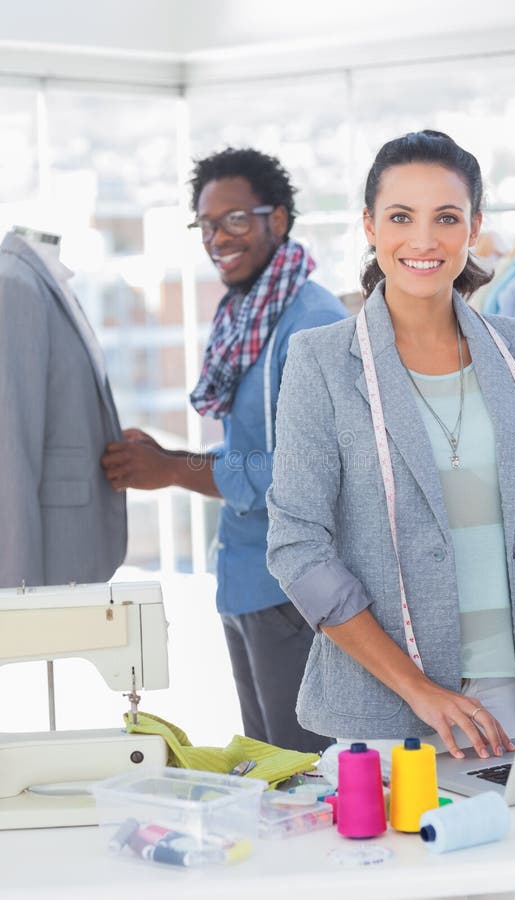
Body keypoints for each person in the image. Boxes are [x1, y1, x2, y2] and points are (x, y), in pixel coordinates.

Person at [266, 130, 515, 761]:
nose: (423, 240)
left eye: (446, 217)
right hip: (389, 713)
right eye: (400, 217)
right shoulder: (322, 362)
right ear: (368, 225)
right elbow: (297, 547)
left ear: (474, 227)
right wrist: (419, 690)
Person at [101, 147, 347, 753]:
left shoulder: (311, 322)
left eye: (235, 220)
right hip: (244, 579)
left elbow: (299, 474)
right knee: (265, 770)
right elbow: (255, 449)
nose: (218, 238)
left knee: (303, 775)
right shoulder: (246, 314)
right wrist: (165, 459)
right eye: (206, 225)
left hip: (292, 586)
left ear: (279, 220)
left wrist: (174, 471)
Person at [0, 226, 126, 588]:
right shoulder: (15, 284)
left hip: (70, 549)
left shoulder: (47, 282)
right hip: (47, 561)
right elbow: (10, 441)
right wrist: (16, 594)